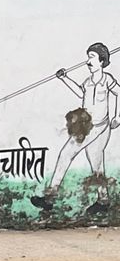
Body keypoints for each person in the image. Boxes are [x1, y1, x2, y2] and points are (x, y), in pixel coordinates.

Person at [34, 42, 119, 208]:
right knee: (96, 163)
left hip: (100, 127)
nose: (88, 61)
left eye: (92, 57)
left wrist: (118, 117)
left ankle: (50, 197)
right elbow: (81, 93)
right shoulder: (88, 82)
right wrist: (65, 78)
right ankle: (103, 200)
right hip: (87, 126)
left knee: (66, 154)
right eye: (88, 57)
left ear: (102, 61)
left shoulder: (107, 79)